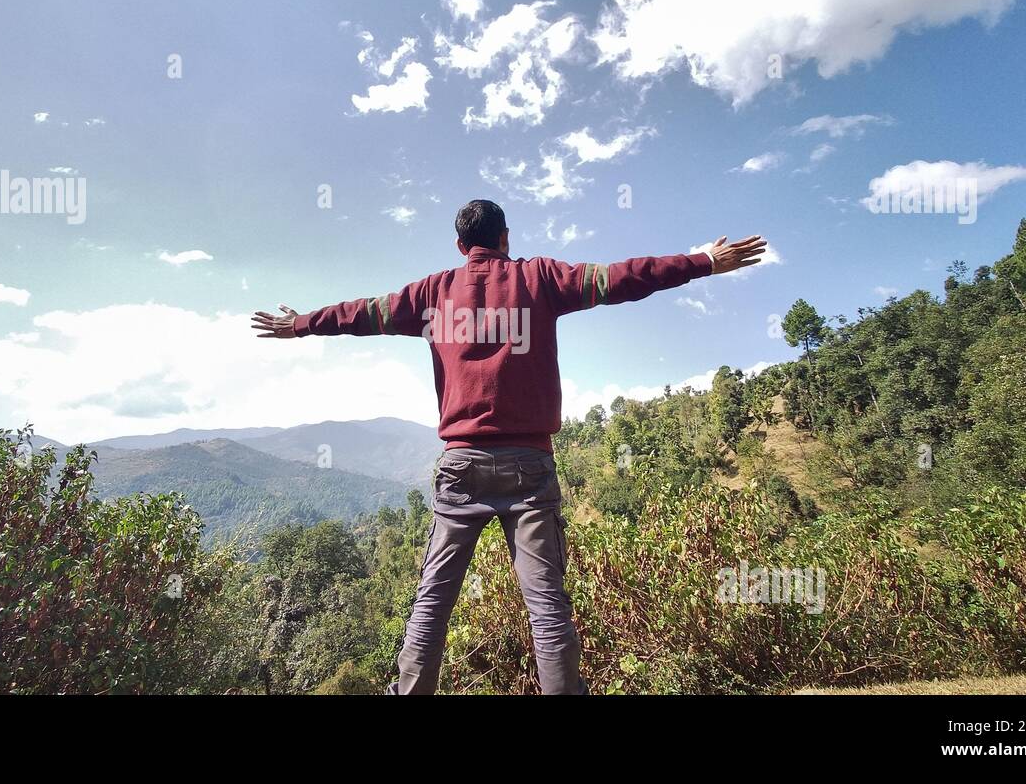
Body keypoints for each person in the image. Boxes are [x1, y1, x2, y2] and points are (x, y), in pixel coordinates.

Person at [252, 199, 767, 694]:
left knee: (433, 600)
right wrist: (703, 262)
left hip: (461, 466)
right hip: (530, 468)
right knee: (546, 604)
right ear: (505, 238)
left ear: (460, 245)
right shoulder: (540, 278)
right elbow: (621, 278)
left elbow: (362, 313)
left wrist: (298, 325)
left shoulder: (431, 295)